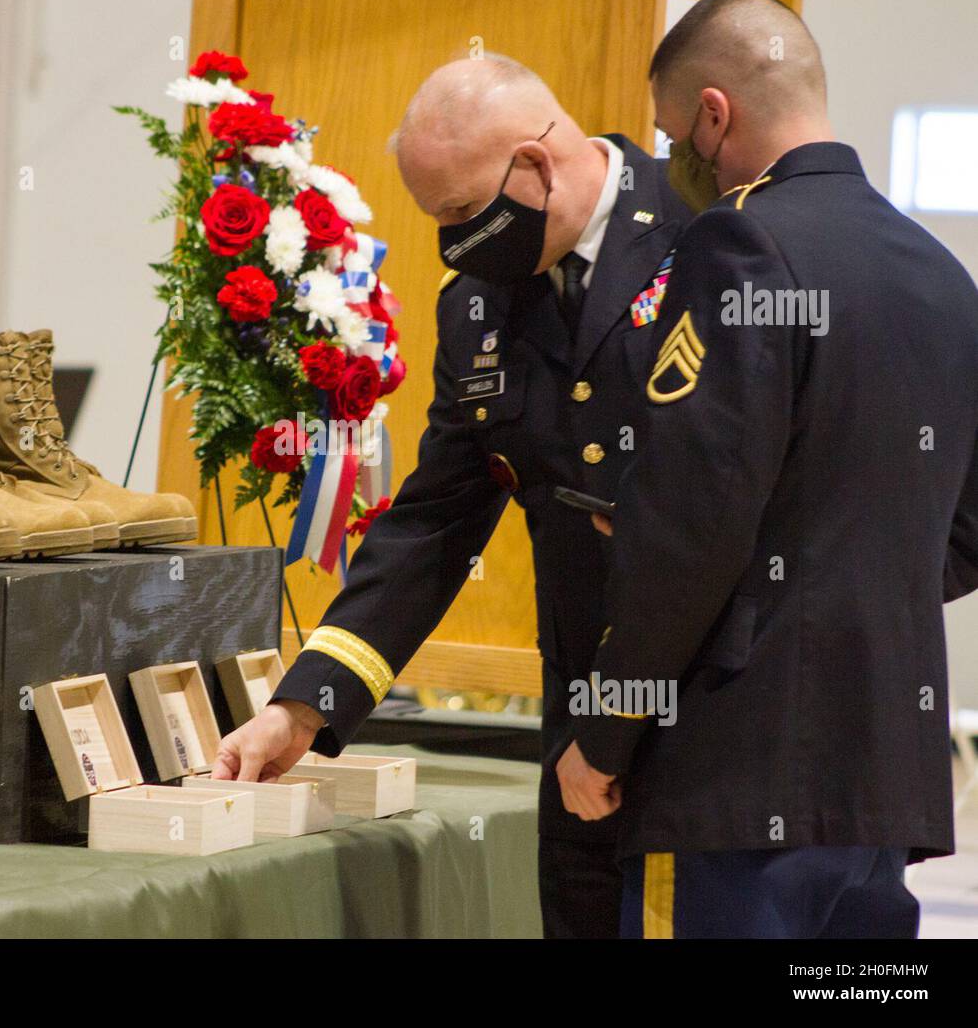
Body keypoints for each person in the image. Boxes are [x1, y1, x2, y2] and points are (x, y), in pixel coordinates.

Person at [212, 54, 692, 938]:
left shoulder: (708, 234)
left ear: (535, 164)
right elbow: (434, 525)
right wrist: (299, 707)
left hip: (717, 718)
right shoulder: (478, 303)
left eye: (466, 213)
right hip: (578, 720)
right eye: (439, 221)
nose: (457, 243)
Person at [554, 0, 978, 938]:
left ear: (714, 114)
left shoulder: (741, 244)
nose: (672, 167)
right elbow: (960, 527)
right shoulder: (944, 276)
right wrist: (831, 577)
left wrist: (609, 730)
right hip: (883, 788)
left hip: (733, 780)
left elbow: (691, 525)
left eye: (672, 139)